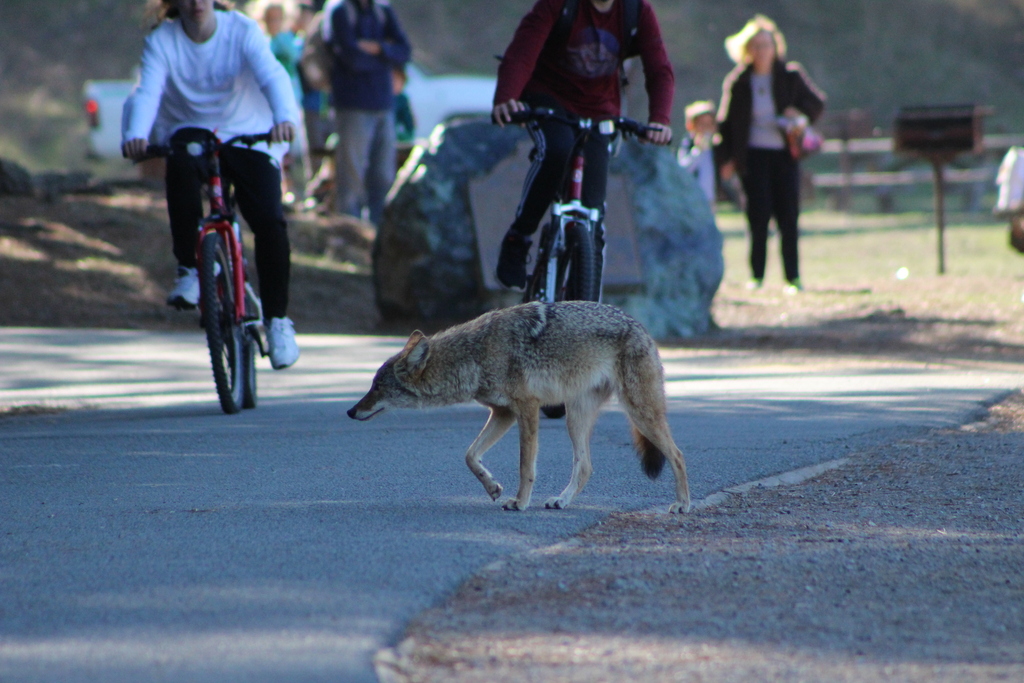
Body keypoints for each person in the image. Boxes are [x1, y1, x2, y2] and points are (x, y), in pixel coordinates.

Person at [122, 0, 301, 369]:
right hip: (190, 132)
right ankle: (189, 268)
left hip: (249, 131)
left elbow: (272, 75)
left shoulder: (241, 31)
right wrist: (136, 134)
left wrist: (284, 118)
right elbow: (148, 91)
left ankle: (278, 321)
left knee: (269, 221)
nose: (196, 3)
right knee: (181, 168)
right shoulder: (163, 41)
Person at [492, 0, 674, 293]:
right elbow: (522, 53)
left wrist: (660, 119)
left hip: (600, 110)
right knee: (557, 149)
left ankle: (587, 303)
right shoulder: (559, 5)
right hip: (550, 100)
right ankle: (519, 237)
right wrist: (507, 97)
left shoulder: (635, 11)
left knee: (593, 213)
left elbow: (659, 70)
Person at [716, 14, 825, 294]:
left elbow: (817, 103)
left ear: (775, 46)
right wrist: (726, 160)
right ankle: (757, 276)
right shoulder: (739, 82)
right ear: (747, 50)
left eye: (767, 44)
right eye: (757, 45)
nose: (763, 50)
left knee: (788, 216)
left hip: (784, 155)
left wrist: (798, 114)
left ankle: (793, 278)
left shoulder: (790, 75)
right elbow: (725, 125)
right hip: (752, 157)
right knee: (758, 216)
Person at [325, 0, 411, 225]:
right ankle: (349, 229)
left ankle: (379, 229)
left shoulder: (382, 11)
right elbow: (351, 58)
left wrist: (378, 49)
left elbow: (405, 50)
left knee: (384, 174)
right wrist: (385, 57)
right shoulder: (341, 12)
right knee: (351, 175)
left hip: (384, 104)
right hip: (353, 105)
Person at [262, 2, 310, 206]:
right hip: (266, 108)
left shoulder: (288, 41)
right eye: (270, 19)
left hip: (292, 103)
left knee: (297, 150)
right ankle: (276, 192)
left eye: (278, 19)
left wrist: (282, 38)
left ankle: (301, 193)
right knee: (273, 152)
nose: (274, 23)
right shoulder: (259, 42)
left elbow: (296, 55)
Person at [678, 100, 718, 209]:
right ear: (691, 126)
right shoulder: (688, 143)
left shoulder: (716, 146)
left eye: (709, 124)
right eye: (702, 124)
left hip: (710, 199)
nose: (706, 128)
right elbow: (683, 168)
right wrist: (697, 150)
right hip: (691, 198)